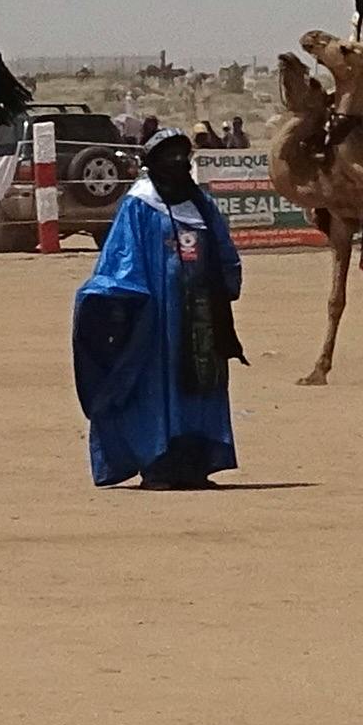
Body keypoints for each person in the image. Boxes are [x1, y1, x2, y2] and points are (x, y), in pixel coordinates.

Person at [71, 131, 243, 488]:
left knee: (201, 387)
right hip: (156, 319)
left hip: (202, 317)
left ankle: (194, 462)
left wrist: (224, 286)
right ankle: (158, 462)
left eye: (184, 156)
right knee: (155, 385)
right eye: (170, 157)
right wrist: (120, 301)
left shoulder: (200, 204)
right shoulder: (138, 204)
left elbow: (224, 251)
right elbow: (121, 260)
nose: (179, 164)